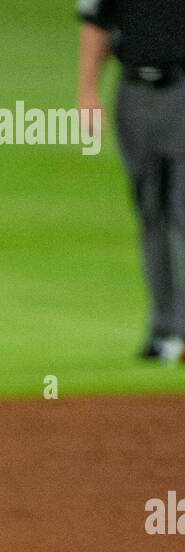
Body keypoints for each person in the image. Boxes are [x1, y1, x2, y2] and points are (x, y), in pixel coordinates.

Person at [77, 0, 185, 361]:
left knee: (183, 212)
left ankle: (181, 330)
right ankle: (164, 331)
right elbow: (95, 22)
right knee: (150, 215)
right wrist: (88, 91)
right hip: (134, 93)